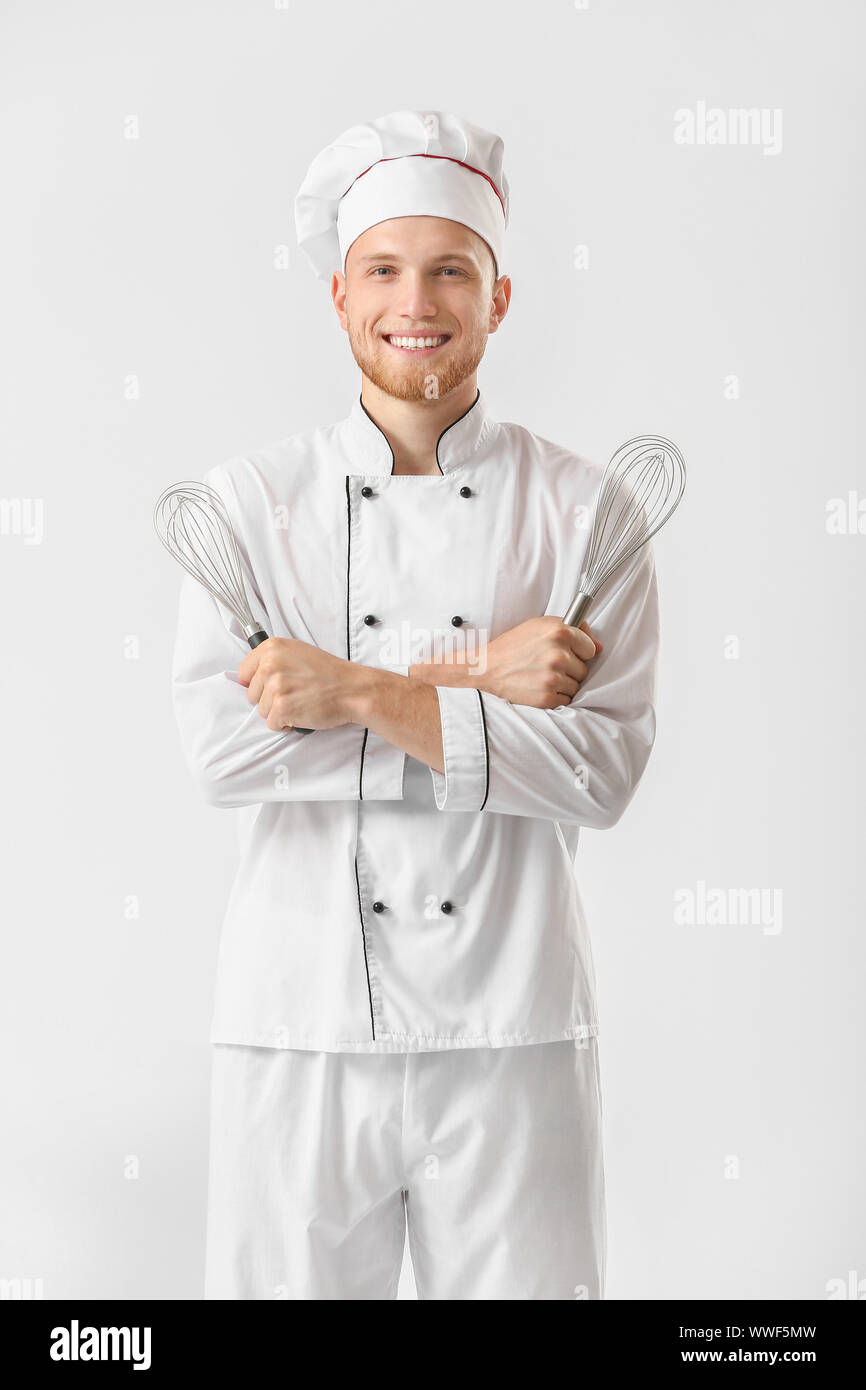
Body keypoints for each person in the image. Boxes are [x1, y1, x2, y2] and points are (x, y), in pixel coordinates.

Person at [170, 109, 660, 1300]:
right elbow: (226, 749)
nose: (415, 301)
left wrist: (336, 691)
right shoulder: (245, 506)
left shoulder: (591, 514)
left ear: (498, 298)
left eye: (450, 268)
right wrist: (484, 682)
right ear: (338, 295)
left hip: (512, 1031)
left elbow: (599, 774)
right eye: (383, 270)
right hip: (298, 1025)